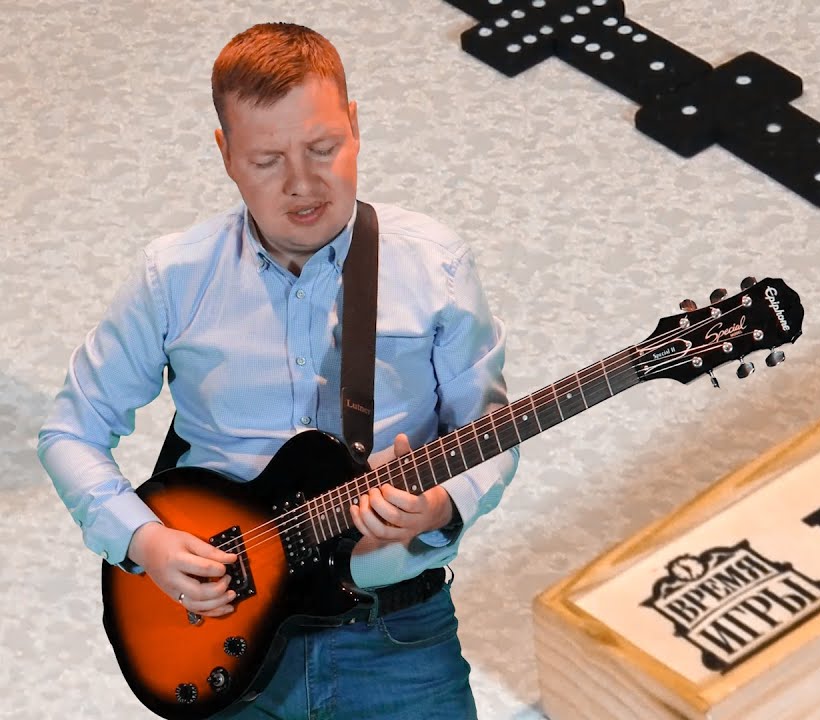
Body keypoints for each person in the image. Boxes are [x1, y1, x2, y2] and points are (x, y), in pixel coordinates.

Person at [36, 21, 518, 719]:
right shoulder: (173, 277)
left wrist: (439, 505)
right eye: (267, 160)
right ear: (226, 155)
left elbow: (491, 427)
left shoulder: (435, 266)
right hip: (216, 633)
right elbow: (70, 432)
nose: (303, 184)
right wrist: (144, 541)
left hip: (393, 630)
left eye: (324, 148)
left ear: (355, 127)